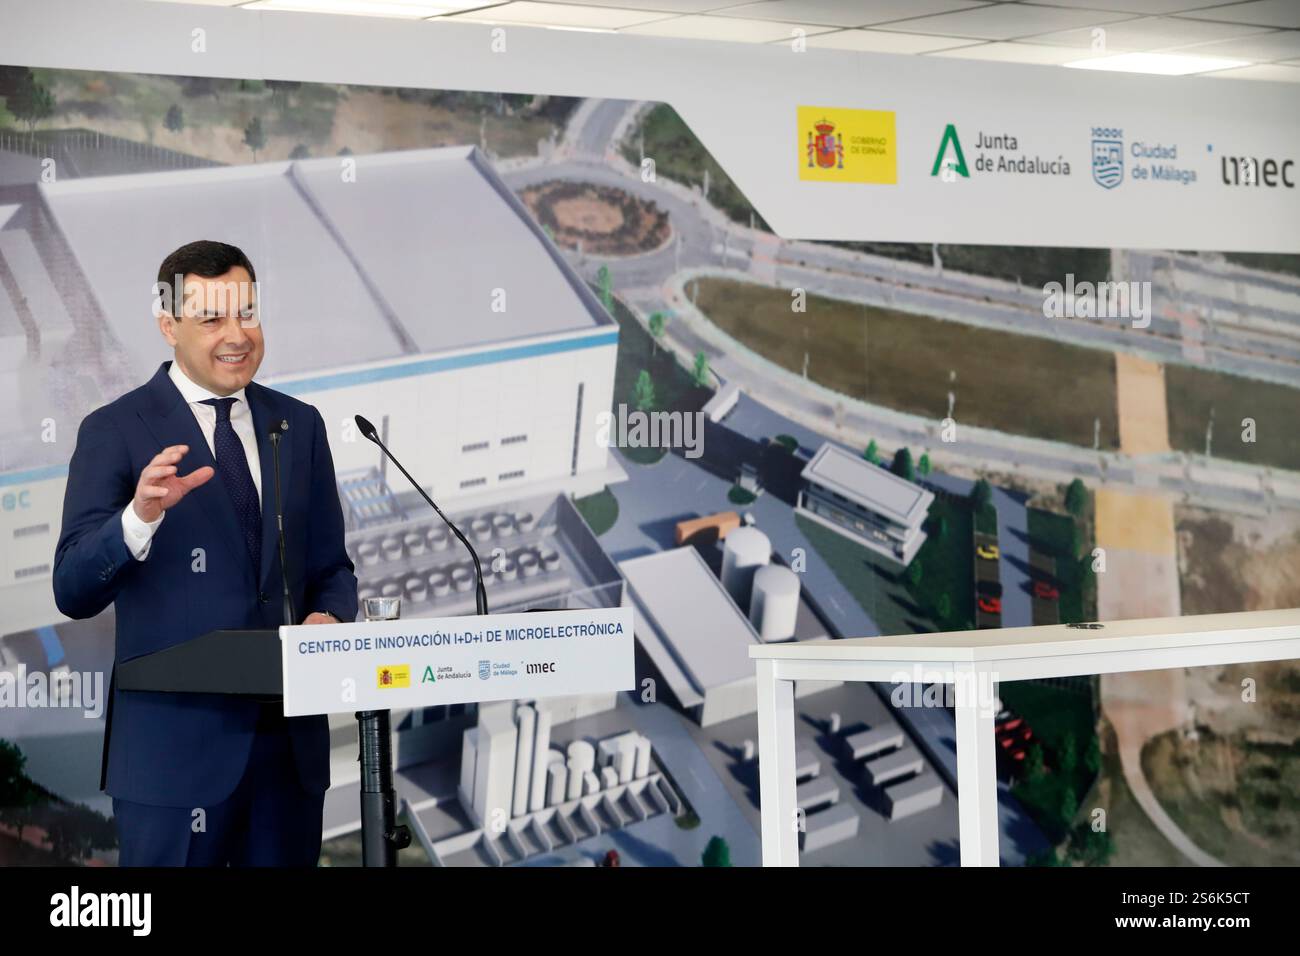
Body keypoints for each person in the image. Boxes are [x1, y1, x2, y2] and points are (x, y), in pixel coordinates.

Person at [53, 239, 358, 866]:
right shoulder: (115, 430)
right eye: (211, 318)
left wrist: (328, 619)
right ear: (169, 325)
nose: (237, 334)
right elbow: (73, 589)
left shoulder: (299, 425)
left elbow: (331, 569)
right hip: (171, 765)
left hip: (286, 762)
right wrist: (137, 519)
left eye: (247, 312)